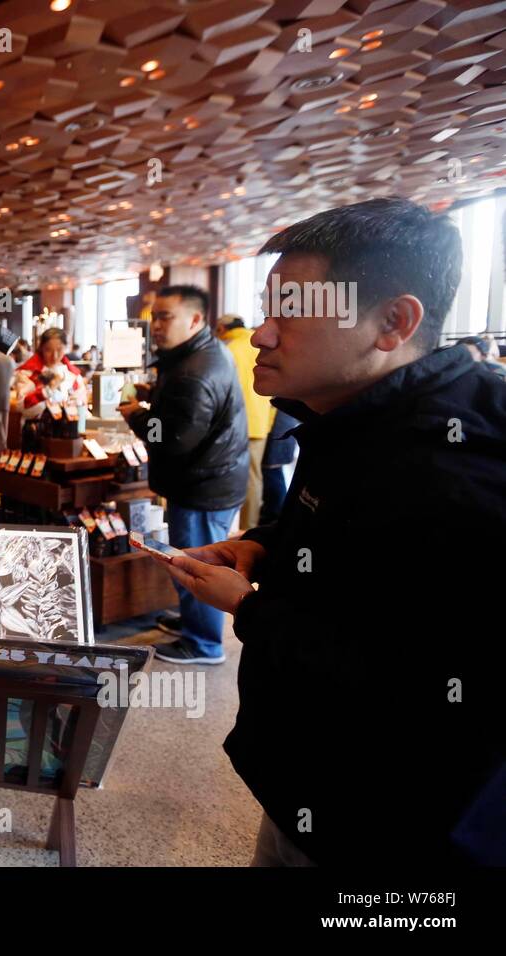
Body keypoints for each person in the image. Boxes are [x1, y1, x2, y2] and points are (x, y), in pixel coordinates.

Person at [153, 198, 505, 866]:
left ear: (393, 322)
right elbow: (341, 538)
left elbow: (424, 685)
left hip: (392, 823)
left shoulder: (462, 475)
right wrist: (266, 544)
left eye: (290, 311)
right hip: (311, 783)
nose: (261, 334)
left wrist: (248, 607)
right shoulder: (351, 416)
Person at [118, 284, 248, 665]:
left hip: (202, 484)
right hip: (209, 477)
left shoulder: (194, 370)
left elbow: (173, 439)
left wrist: (136, 415)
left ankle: (204, 643)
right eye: (153, 317)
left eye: (164, 317)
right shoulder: (198, 354)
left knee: (196, 565)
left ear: (194, 319)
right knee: (189, 557)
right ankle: (193, 621)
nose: (155, 325)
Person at [218, 314, 274, 529]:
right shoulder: (260, 346)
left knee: (226, 475)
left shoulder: (227, 349)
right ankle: (248, 527)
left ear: (222, 328)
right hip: (259, 421)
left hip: (233, 423)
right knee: (253, 477)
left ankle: (227, 528)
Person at [14, 327, 88, 415]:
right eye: (48, 350)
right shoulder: (28, 372)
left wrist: (77, 401)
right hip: (37, 425)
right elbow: (21, 406)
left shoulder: (72, 373)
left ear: (65, 348)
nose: (55, 356)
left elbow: (82, 400)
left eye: (59, 350)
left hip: (68, 425)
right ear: (41, 348)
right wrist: (47, 390)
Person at [257, 407, 299, 525]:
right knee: (273, 475)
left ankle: (273, 518)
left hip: (278, 430)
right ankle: (273, 517)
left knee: (272, 475)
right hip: (280, 428)